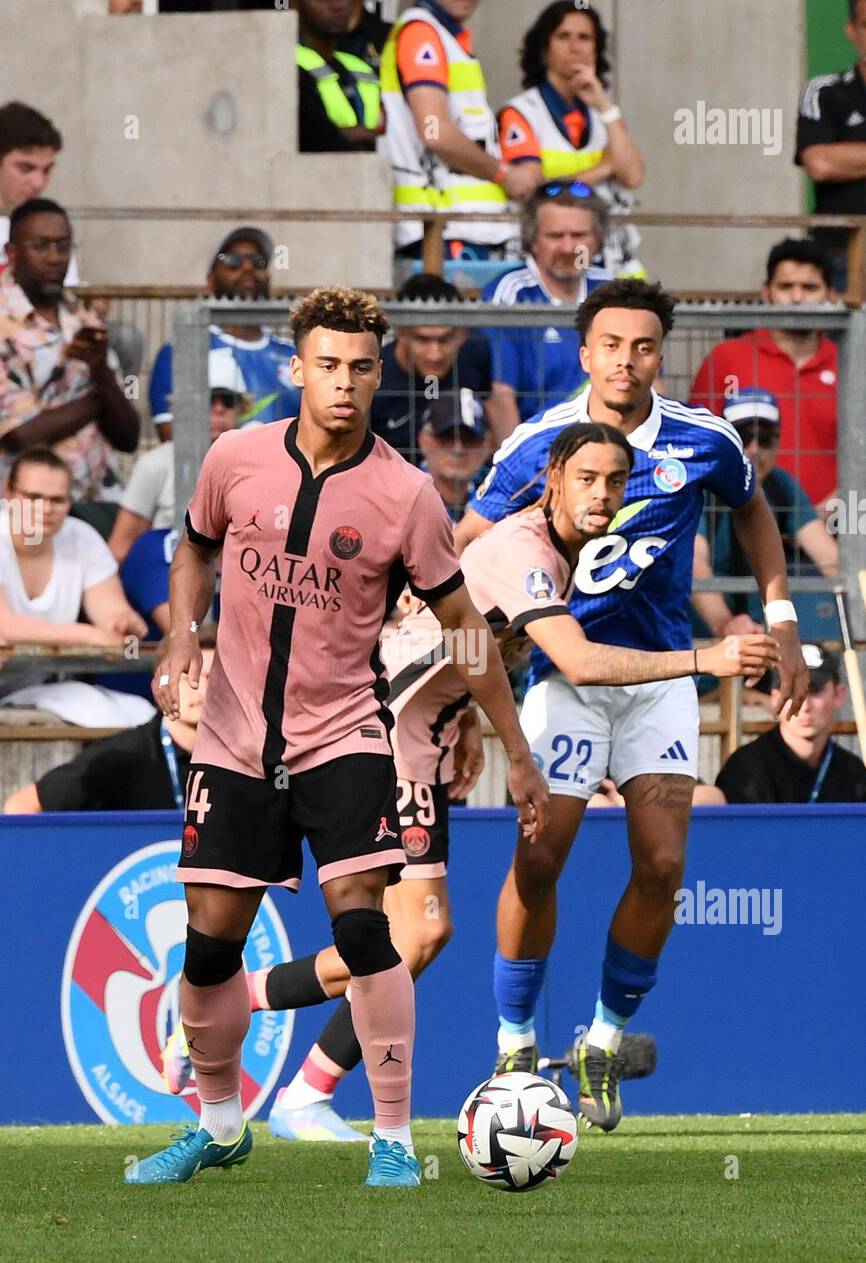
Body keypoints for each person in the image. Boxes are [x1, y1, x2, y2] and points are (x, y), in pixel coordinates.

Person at [163, 422, 773, 1136]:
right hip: (373, 730)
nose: (601, 495)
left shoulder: (561, 554)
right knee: (413, 935)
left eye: (615, 481)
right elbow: (574, 661)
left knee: (421, 934)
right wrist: (708, 660)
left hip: (421, 734)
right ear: (551, 480)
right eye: (585, 479)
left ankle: (249, 1025)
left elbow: (468, 642)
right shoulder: (523, 551)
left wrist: (470, 727)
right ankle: (293, 1080)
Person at [128, 284, 548, 1189]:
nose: (345, 383)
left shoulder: (406, 495)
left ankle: (393, 1139)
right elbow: (194, 546)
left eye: (361, 366)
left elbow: (464, 622)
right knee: (209, 948)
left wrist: (511, 742)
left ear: (380, 368)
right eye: (327, 365)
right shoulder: (235, 459)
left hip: (348, 735)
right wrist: (178, 630)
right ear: (297, 368)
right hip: (234, 737)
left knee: (366, 930)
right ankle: (219, 1123)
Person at [454, 277, 808, 1130]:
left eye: (643, 346)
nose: (626, 359)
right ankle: (514, 1046)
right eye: (610, 344)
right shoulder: (539, 442)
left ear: (660, 355)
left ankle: (604, 1042)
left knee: (660, 865)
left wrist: (783, 615)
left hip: (656, 684)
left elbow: (754, 511)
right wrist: (491, 636)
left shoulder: (701, 439)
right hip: (563, 681)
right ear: (584, 353)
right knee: (542, 858)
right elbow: (466, 538)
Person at [0, 199, 140, 503]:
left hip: (101, 500)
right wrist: (96, 401)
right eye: (41, 246)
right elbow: (19, 436)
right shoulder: (3, 324)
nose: (55, 257)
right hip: (29, 509)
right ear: (12, 253)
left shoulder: (84, 319)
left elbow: (129, 437)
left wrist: (100, 370)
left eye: (63, 246)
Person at [0, 446, 150, 726]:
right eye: (33, 497)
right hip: (24, 686)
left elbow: (110, 611)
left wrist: (122, 623)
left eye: (57, 500)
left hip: (31, 688)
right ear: (8, 493)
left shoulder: (81, 538)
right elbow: (7, 627)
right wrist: (91, 636)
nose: (45, 508)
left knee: (139, 714)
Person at [379, 0, 537, 260]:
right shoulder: (422, 31)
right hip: (440, 228)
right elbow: (435, 132)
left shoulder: (446, 35)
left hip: (461, 227)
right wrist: (505, 175)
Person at [498, 2, 645, 278]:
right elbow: (531, 190)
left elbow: (633, 175)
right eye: (563, 36)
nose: (575, 46)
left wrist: (603, 104)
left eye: (585, 38)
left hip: (614, 259)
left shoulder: (602, 113)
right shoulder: (523, 112)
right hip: (554, 263)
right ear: (544, 49)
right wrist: (604, 168)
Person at [689, 239, 838, 510]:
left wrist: (820, 520)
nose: (796, 298)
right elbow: (697, 447)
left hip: (835, 532)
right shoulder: (727, 357)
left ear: (830, 295)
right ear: (767, 292)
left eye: (809, 288)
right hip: (739, 527)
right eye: (786, 287)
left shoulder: (850, 365)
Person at [3, 631, 216, 814]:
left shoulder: (247, 758)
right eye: (187, 678)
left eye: (214, 678)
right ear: (158, 688)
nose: (202, 689)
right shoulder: (124, 756)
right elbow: (21, 807)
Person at [693, 389, 838, 641]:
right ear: (725, 440)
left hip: (763, 635)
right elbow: (694, 564)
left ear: (779, 441)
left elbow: (830, 559)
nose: (754, 449)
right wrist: (725, 624)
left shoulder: (781, 485)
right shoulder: (703, 487)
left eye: (766, 439)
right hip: (699, 640)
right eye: (743, 436)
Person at [482, 182, 613, 441]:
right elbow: (500, 396)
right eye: (555, 236)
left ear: (597, 241)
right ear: (532, 242)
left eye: (578, 236)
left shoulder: (614, 291)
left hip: (611, 449)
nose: (568, 247)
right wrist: (523, 470)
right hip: (539, 451)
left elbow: (651, 386)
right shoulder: (510, 293)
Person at [148, 226, 300, 442]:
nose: (247, 267)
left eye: (258, 261)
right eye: (232, 260)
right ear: (211, 279)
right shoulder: (183, 350)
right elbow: (171, 437)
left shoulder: (294, 354)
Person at [110, 360, 245, 566]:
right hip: (164, 566)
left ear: (241, 408)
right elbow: (121, 547)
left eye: (228, 400)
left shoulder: (254, 464)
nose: (218, 408)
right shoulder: (155, 464)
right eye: (208, 399)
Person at [717, 642, 866, 804]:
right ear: (775, 699)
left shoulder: (854, 772)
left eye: (815, 691)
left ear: (839, 695)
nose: (804, 705)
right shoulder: (745, 770)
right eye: (791, 690)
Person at [368, 273, 491, 463]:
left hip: (459, 479)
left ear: (462, 334)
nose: (435, 354)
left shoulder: (475, 353)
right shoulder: (373, 378)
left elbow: (492, 418)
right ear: (401, 331)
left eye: (445, 339)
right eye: (423, 340)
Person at [796, 0, 866, 290]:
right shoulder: (823, 91)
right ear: (852, 30)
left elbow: (831, 160)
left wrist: (849, 158)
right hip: (839, 260)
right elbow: (819, 164)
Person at [0, 103, 79, 285]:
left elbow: (66, 296)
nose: (39, 183)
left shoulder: (51, 226)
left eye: (46, 170)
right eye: (26, 168)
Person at [293, 0, 382, 154]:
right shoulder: (284, 66)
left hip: (370, 170)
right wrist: (344, 135)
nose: (338, 5)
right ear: (293, 4)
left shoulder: (358, 66)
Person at [417, 392, 492, 521]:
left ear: (486, 446)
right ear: (424, 440)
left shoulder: (495, 502)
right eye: (447, 437)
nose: (458, 450)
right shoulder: (403, 496)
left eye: (470, 439)